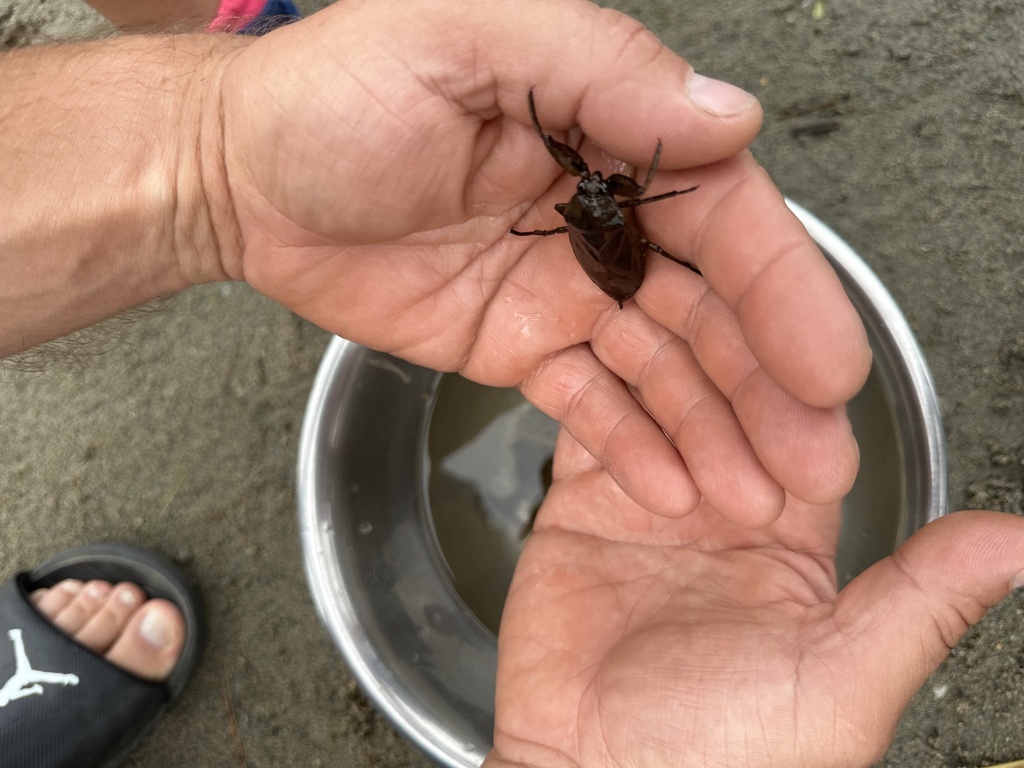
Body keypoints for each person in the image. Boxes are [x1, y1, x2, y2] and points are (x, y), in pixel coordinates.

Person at [2, 0, 1023, 766]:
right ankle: (234, 23)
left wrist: (214, 159)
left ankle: (241, 23)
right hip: (613, 262)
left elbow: (621, 194)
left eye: (599, 185)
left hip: (609, 262)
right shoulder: (604, 203)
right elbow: (630, 189)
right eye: (596, 186)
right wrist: (210, 157)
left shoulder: (589, 207)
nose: (594, 184)